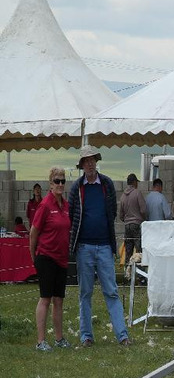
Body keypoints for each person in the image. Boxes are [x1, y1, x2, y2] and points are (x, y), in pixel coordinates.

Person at [68, 145, 130, 346]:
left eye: (93, 159)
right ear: (82, 165)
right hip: (84, 247)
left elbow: (111, 213)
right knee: (85, 293)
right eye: (86, 160)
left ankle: (122, 335)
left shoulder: (107, 184)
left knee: (111, 291)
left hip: (104, 246)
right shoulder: (77, 188)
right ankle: (86, 336)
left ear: (97, 161)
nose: (90, 163)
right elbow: (72, 216)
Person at [29, 167, 71, 351]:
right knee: (45, 298)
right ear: (50, 183)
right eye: (56, 181)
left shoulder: (66, 205)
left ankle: (59, 338)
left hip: (62, 258)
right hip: (46, 257)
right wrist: (34, 257)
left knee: (59, 299)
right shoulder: (45, 205)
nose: (60, 184)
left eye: (62, 181)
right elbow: (33, 233)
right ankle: (40, 341)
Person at [118, 173, 147, 265]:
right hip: (136, 224)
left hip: (127, 226)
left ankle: (128, 272)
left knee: (128, 251)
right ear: (134, 182)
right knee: (139, 251)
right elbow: (143, 210)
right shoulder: (137, 193)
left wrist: (127, 220)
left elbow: (120, 215)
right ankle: (139, 273)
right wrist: (143, 219)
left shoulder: (123, 196)